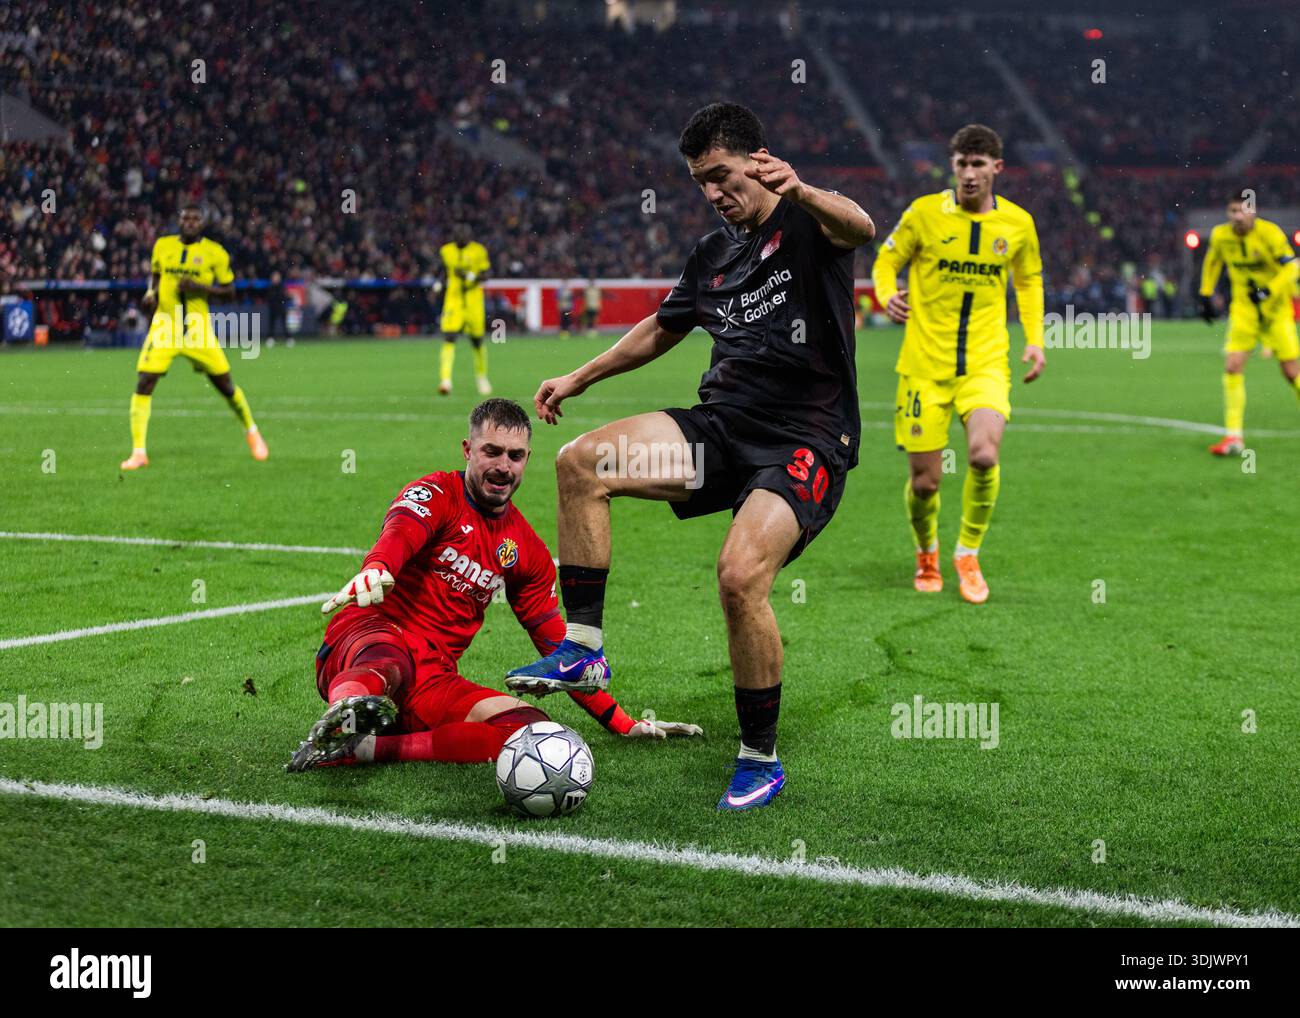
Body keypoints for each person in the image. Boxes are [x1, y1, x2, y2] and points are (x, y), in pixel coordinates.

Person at [504, 102, 875, 810]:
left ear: (761, 161)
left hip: (805, 440)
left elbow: (860, 226)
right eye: (700, 181)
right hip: (722, 431)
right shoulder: (713, 254)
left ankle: (758, 756)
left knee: (739, 577)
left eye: (722, 176)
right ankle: (583, 651)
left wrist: (799, 189)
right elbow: (662, 328)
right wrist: (580, 377)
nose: (713, 193)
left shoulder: (808, 222)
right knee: (582, 463)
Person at [287, 398, 702, 772]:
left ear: (527, 460)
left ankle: (361, 749)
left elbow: (560, 646)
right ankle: (346, 711)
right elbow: (401, 532)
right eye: (492, 451)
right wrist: (377, 566)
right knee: (389, 662)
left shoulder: (527, 549)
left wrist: (622, 722)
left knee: (531, 732)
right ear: (468, 450)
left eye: (515, 456)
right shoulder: (435, 493)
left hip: (433, 679)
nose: (503, 466)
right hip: (364, 641)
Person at [870, 124, 1045, 604]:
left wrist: (1035, 340)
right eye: (962, 164)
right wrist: (886, 296)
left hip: (985, 364)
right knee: (925, 483)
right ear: (953, 167)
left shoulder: (1018, 224)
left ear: (996, 168)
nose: (970, 174)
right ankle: (927, 551)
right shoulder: (923, 215)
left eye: (978, 164)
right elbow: (884, 263)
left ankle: (967, 553)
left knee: (984, 456)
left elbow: (1028, 284)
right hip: (924, 367)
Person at [121, 202, 269, 470]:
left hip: (197, 329)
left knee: (225, 385)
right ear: (179, 221)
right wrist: (150, 295)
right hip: (165, 326)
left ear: (202, 223)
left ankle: (252, 431)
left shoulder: (215, 253)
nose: (190, 222)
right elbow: (155, 276)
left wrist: (200, 287)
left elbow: (230, 292)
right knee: (144, 381)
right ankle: (139, 452)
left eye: (195, 219)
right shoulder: (163, 246)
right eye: (185, 218)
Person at [1198, 192, 1300, 456]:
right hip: (1244, 311)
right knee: (1232, 367)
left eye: (1242, 211)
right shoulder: (1221, 236)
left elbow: (1293, 267)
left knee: (1291, 373)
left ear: (1253, 212)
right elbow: (1212, 262)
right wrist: (1206, 294)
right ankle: (1234, 437)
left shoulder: (1270, 234)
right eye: (1232, 211)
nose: (1237, 216)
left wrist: (1269, 290)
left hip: (1276, 310)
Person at [434, 223, 492, 396]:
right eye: (457, 235)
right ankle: (445, 380)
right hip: (454, 300)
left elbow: (486, 275)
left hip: (474, 301)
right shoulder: (446, 251)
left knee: (477, 341)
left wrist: (469, 275)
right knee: (449, 337)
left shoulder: (478, 251)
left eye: (464, 235)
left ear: (469, 236)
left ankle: (482, 377)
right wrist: (438, 283)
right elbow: (443, 272)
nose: (460, 238)